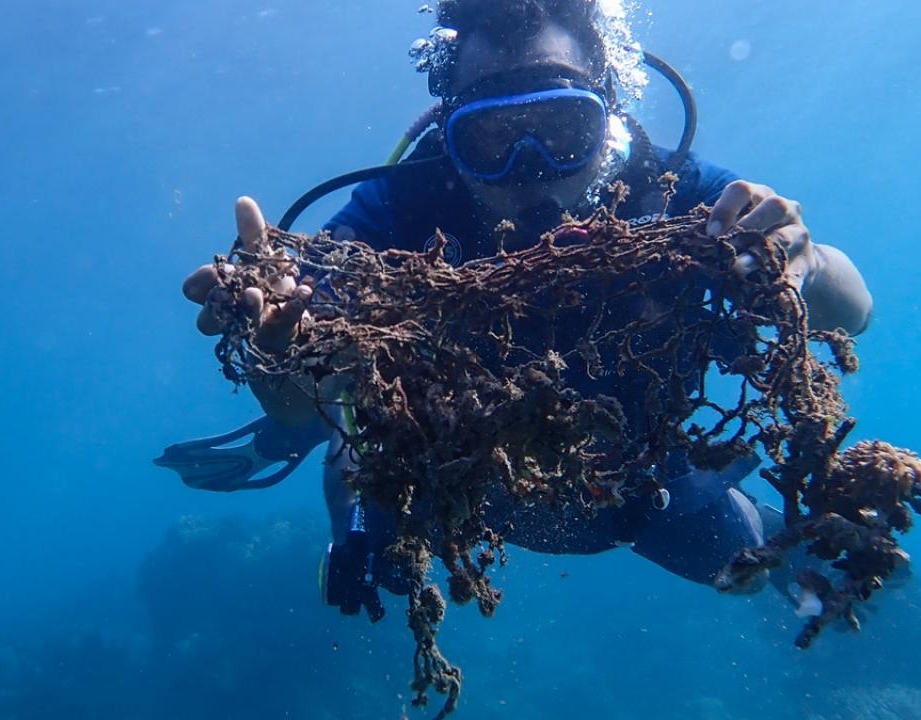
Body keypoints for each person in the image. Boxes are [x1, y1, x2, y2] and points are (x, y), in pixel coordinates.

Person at [174, 0, 872, 620]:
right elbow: (307, 382)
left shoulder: (670, 191)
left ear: (609, 111)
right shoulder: (402, 208)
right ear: (451, 133)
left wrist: (798, 264)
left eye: (563, 129)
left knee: (742, 569)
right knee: (372, 523)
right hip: (451, 472)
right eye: (492, 140)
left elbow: (855, 310)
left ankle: (799, 565)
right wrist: (278, 363)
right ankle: (296, 469)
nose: (530, 167)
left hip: (632, 482)